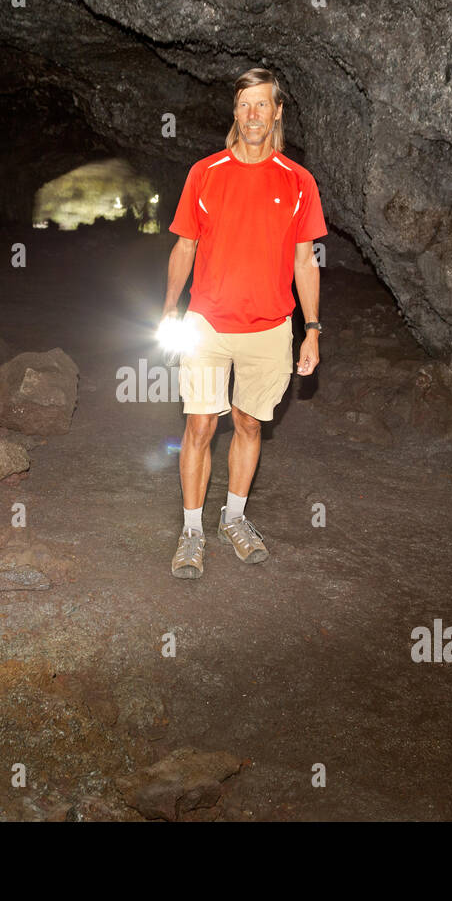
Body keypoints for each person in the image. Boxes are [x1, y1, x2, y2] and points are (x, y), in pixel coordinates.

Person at [161, 67, 327, 580]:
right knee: (199, 425)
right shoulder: (205, 172)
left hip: (271, 327)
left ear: (277, 112)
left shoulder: (298, 181)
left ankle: (234, 519)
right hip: (207, 322)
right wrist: (170, 308)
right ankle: (192, 531)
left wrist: (313, 328)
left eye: (262, 104)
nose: (252, 114)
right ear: (234, 112)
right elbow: (185, 244)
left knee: (250, 423)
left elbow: (305, 261)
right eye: (244, 104)